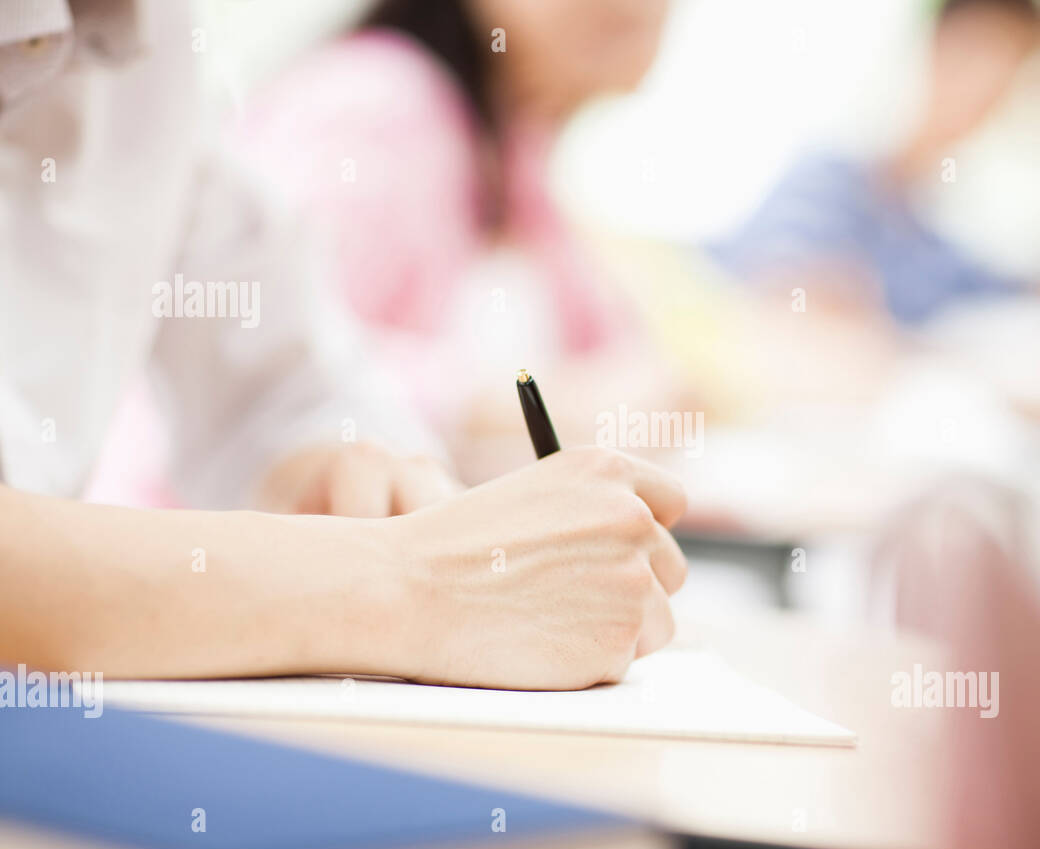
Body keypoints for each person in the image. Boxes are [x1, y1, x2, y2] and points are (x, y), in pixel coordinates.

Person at [0, 0, 686, 691]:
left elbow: (283, 380)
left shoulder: (154, 53)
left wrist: (352, 472)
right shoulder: (376, 103)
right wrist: (410, 581)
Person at [231, 0, 679, 480]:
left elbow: (621, 360)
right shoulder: (372, 102)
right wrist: (496, 404)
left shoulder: (512, 149)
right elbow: (261, 369)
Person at [711, 0, 1040, 324]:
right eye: (978, 54)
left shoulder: (937, 250)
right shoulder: (824, 179)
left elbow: (1027, 298)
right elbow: (782, 297)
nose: (986, 85)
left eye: (1011, 70)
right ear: (936, 45)